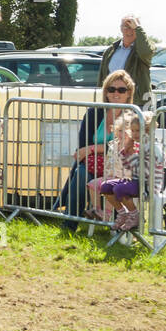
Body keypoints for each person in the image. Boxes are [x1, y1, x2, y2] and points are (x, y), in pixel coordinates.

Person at [56, 71, 135, 231]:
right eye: (111, 89)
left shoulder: (132, 116)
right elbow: (81, 145)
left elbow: (125, 146)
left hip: (120, 168)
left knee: (100, 176)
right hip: (93, 164)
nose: (116, 93)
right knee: (81, 174)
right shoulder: (94, 112)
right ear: (105, 92)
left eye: (121, 90)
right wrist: (91, 150)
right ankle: (69, 225)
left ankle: (111, 217)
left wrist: (94, 148)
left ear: (129, 93)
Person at [98, 15, 152, 96]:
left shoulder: (142, 49)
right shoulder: (110, 51)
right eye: (126, 27)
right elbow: (102, 78)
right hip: (112, 100)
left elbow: (146, 52)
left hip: (137, 102)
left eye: (133, 27)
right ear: (121, 28)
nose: (129, 31)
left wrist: (138, 28)